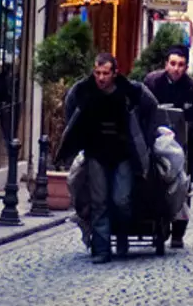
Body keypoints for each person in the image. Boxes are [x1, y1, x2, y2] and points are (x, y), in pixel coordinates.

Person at [56, 53, 160, 264]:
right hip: (96, 152)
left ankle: (122, 233)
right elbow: (70, 108)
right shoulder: (84, 90)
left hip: (123, 154)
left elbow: (152, 106)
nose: (101, 78)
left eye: (105, 73)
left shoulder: (130, 91)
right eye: (97, 73)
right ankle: (101, 249)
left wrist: (145, 137)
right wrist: (77, 137)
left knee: (121, 199)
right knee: (99, 202)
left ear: (114, 73)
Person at [143, 45, 193, 249]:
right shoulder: (152, 81)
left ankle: (178, 232)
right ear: (166, 64)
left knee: (182, 185)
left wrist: (184, 130)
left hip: (182, 143)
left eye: (180, 65)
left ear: (186, 67)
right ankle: (152, 223)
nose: (176, 68)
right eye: (172, 64)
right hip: (154, 139)